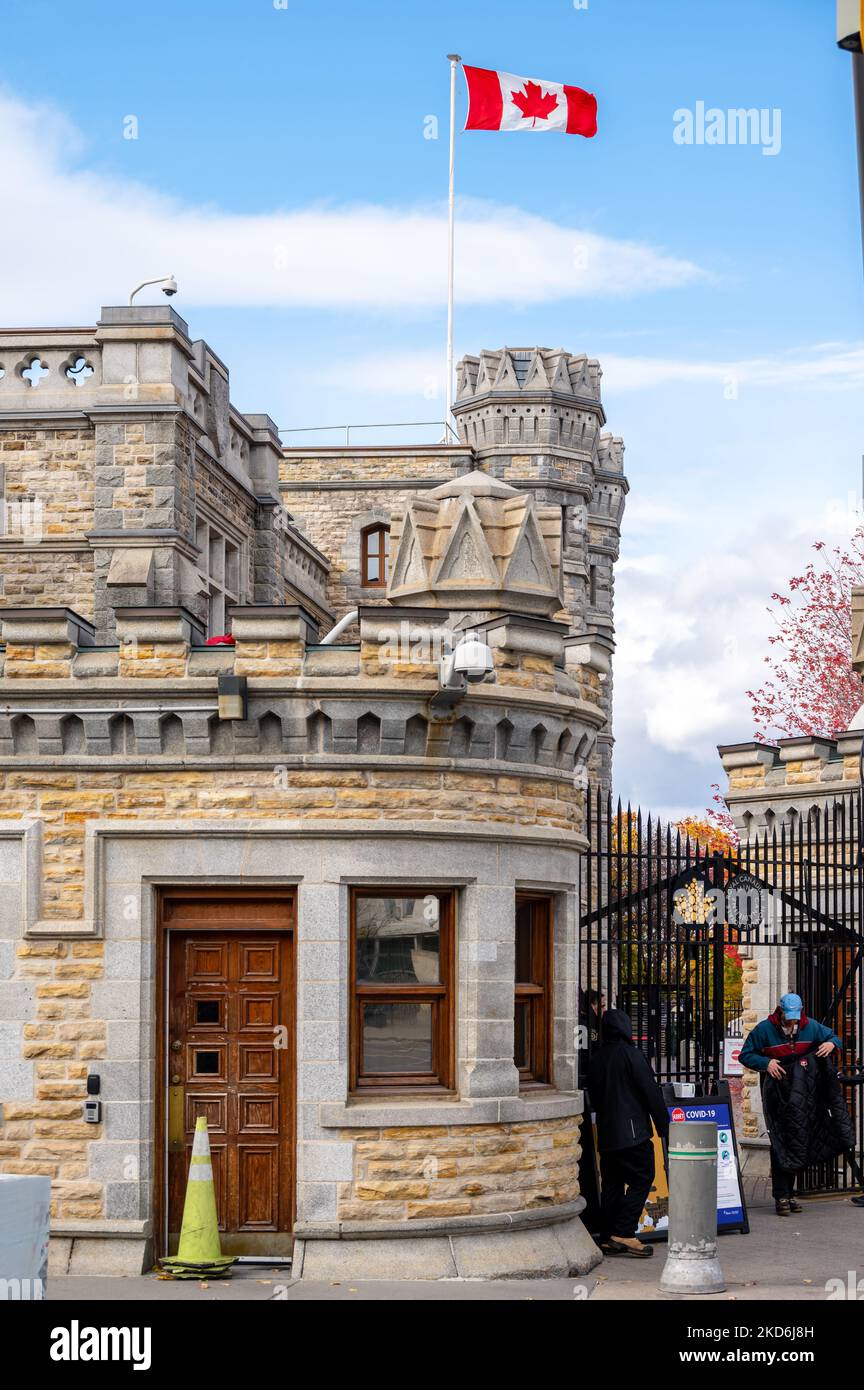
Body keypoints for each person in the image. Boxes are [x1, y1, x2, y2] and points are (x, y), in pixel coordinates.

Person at [739, 992, 841, 1216]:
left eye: (796, 1017)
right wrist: (766, 1062)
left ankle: (790, 1193)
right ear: (780, 1011)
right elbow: (745, 1055)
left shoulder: (811, 1027)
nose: (793, 1022)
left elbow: (834, 1037)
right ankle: (781, 1196)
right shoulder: (764, 1030)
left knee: (799, 1138)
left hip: (802, 1091)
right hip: (776, 1092)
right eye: (789, 1017)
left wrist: (831, 1045)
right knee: (780, 1141)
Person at [586, 1008, 669, 1258]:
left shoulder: (597, 1057)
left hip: (608, 1131)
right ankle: (624, 1231)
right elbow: (650, 1093)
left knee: (612, 1184)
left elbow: (595, 1096)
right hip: (633, 1133)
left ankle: (610, 1234)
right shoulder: (632, 1056)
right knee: (643, 1178)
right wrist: (664, 1127)